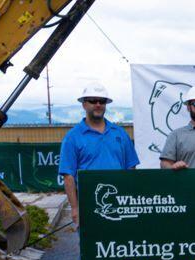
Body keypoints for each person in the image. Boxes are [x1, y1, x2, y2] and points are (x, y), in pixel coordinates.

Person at [58, 83, 140, 227]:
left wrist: (129, 200)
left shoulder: (120, 133)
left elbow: (131, 169)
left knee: (120, 245)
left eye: (102, 101)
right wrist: (75, 208)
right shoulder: (72, 137)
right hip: (88, 206)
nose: (98, 105)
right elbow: (68, 176)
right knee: (91, 247)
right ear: (84, 105)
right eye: (92, 101)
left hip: (119, 203)